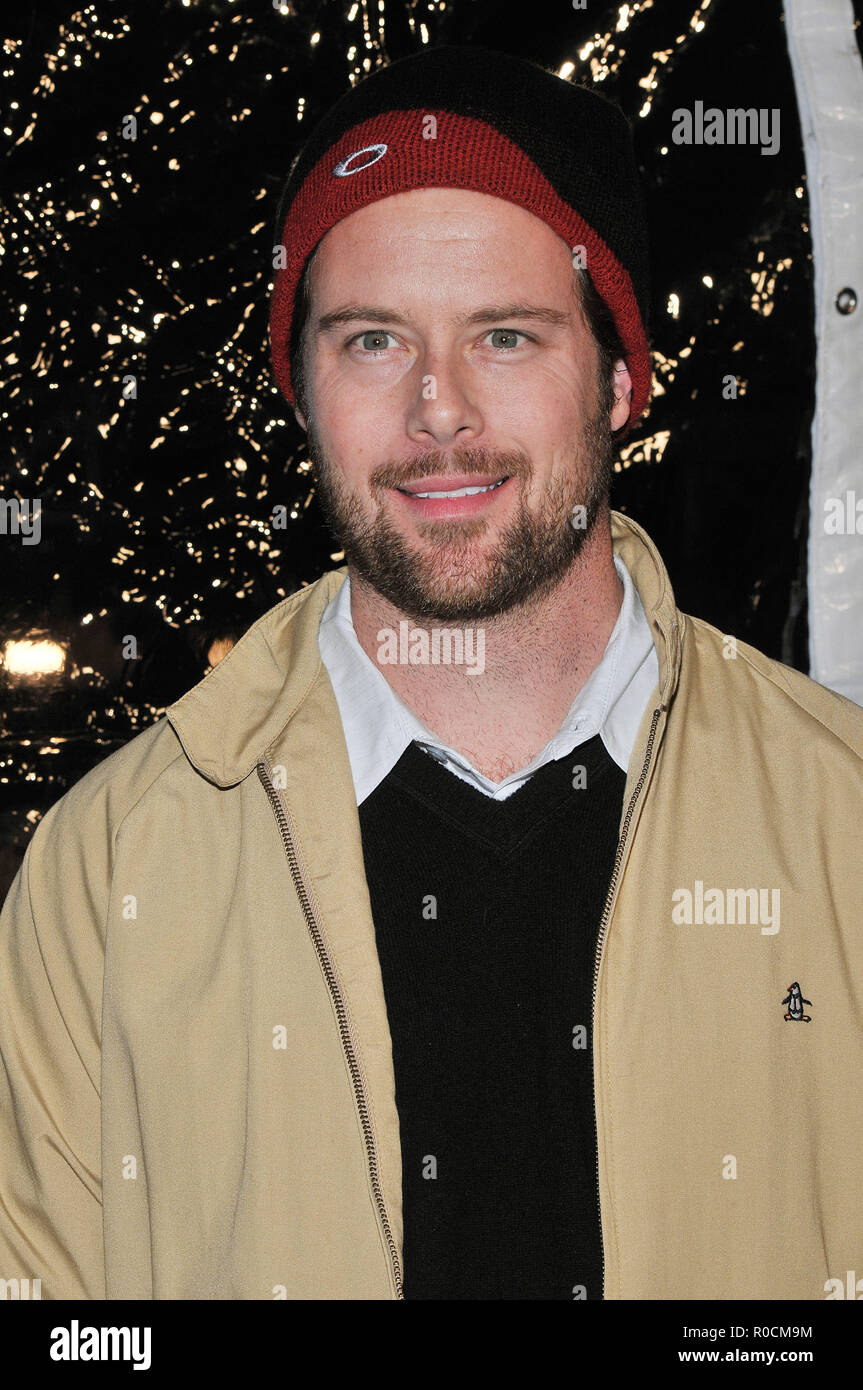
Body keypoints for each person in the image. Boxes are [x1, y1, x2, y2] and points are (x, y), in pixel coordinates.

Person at [2, 44, 862, 1303]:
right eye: (368, 342)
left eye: (504, 337)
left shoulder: (839, 821)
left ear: (620, 378)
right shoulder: (112, 867)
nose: (437, 409)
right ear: (300, 388)